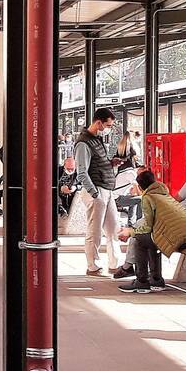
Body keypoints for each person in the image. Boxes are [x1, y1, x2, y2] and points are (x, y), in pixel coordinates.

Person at [115, 169, 186, 293]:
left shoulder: (148, 197)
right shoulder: (164, 194)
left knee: (140, 239)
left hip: (184, 239)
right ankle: (156, 280)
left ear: (140, 187)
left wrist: (130, 232)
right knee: (152, 239)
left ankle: (141, 282)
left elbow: (147, 227)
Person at [74, 107, 123, 276]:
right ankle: (92, 266)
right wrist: (94, 194)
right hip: (97, 190)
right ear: (98, 122)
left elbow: (97, 163)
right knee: (94, 231)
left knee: (113, 228)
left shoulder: (97, 139)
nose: (108, 128)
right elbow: (81, 172)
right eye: (107, 125)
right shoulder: (83, 143)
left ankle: (114, 263)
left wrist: (111, 163)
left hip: (106, 188)